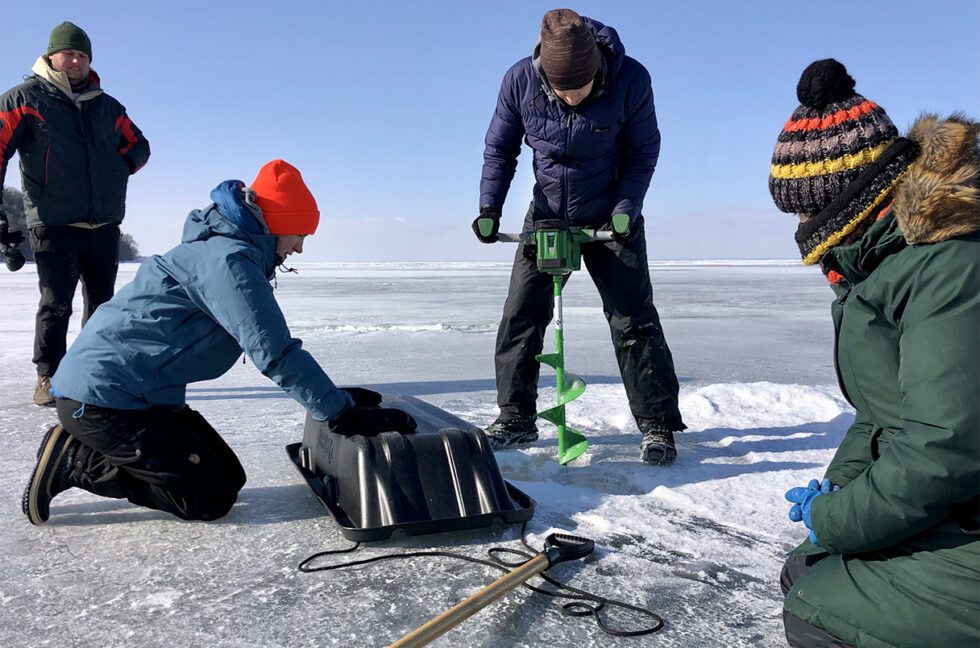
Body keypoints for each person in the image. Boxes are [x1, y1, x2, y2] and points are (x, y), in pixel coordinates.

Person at [22, 160, 417, 525]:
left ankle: (89, 445)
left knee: (229, 475)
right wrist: (339, 411)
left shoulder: (225, 248)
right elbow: (274, 351)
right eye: (300, 234)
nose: (299, 247)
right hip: (103, 400)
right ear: (279, 223)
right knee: (208, 498)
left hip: (141, 395)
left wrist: (335, 400)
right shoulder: (228, 262)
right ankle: (76, 460)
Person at [770, 60, 979, 648]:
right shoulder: (883, 265)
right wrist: (838, 493)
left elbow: (945, 444)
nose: (802, 226)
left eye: (805, 209)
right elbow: (883, 415)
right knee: (804, 567)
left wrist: (838, 521)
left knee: (816, 609)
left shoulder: (950, 268)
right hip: (959, 503)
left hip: (966, 506)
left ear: (851, 197)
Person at [473, 8, 684, 464]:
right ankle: (515, 418)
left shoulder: (631, 79)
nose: (570, 98)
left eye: (580, 88)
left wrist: (626, 210)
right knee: (521, 316)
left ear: (597, 70)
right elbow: (500, 149)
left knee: (633, 320)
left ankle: (657, 425)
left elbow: (644, 150)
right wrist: (490, 207)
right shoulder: (519, 81)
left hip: (612, 217)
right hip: (548, 215)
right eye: (560, 90)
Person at [0, 21, 151, 407]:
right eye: (69, 53)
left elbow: (139, 145)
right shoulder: (24, 100)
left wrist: (118, 168)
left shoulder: (107, 106)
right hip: (53, 222)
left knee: (103, 305)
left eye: (83, 55)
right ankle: (48, 376)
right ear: (51, 56)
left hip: (104, 223)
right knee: (56, 304)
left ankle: (94, 372)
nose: (76, 61)